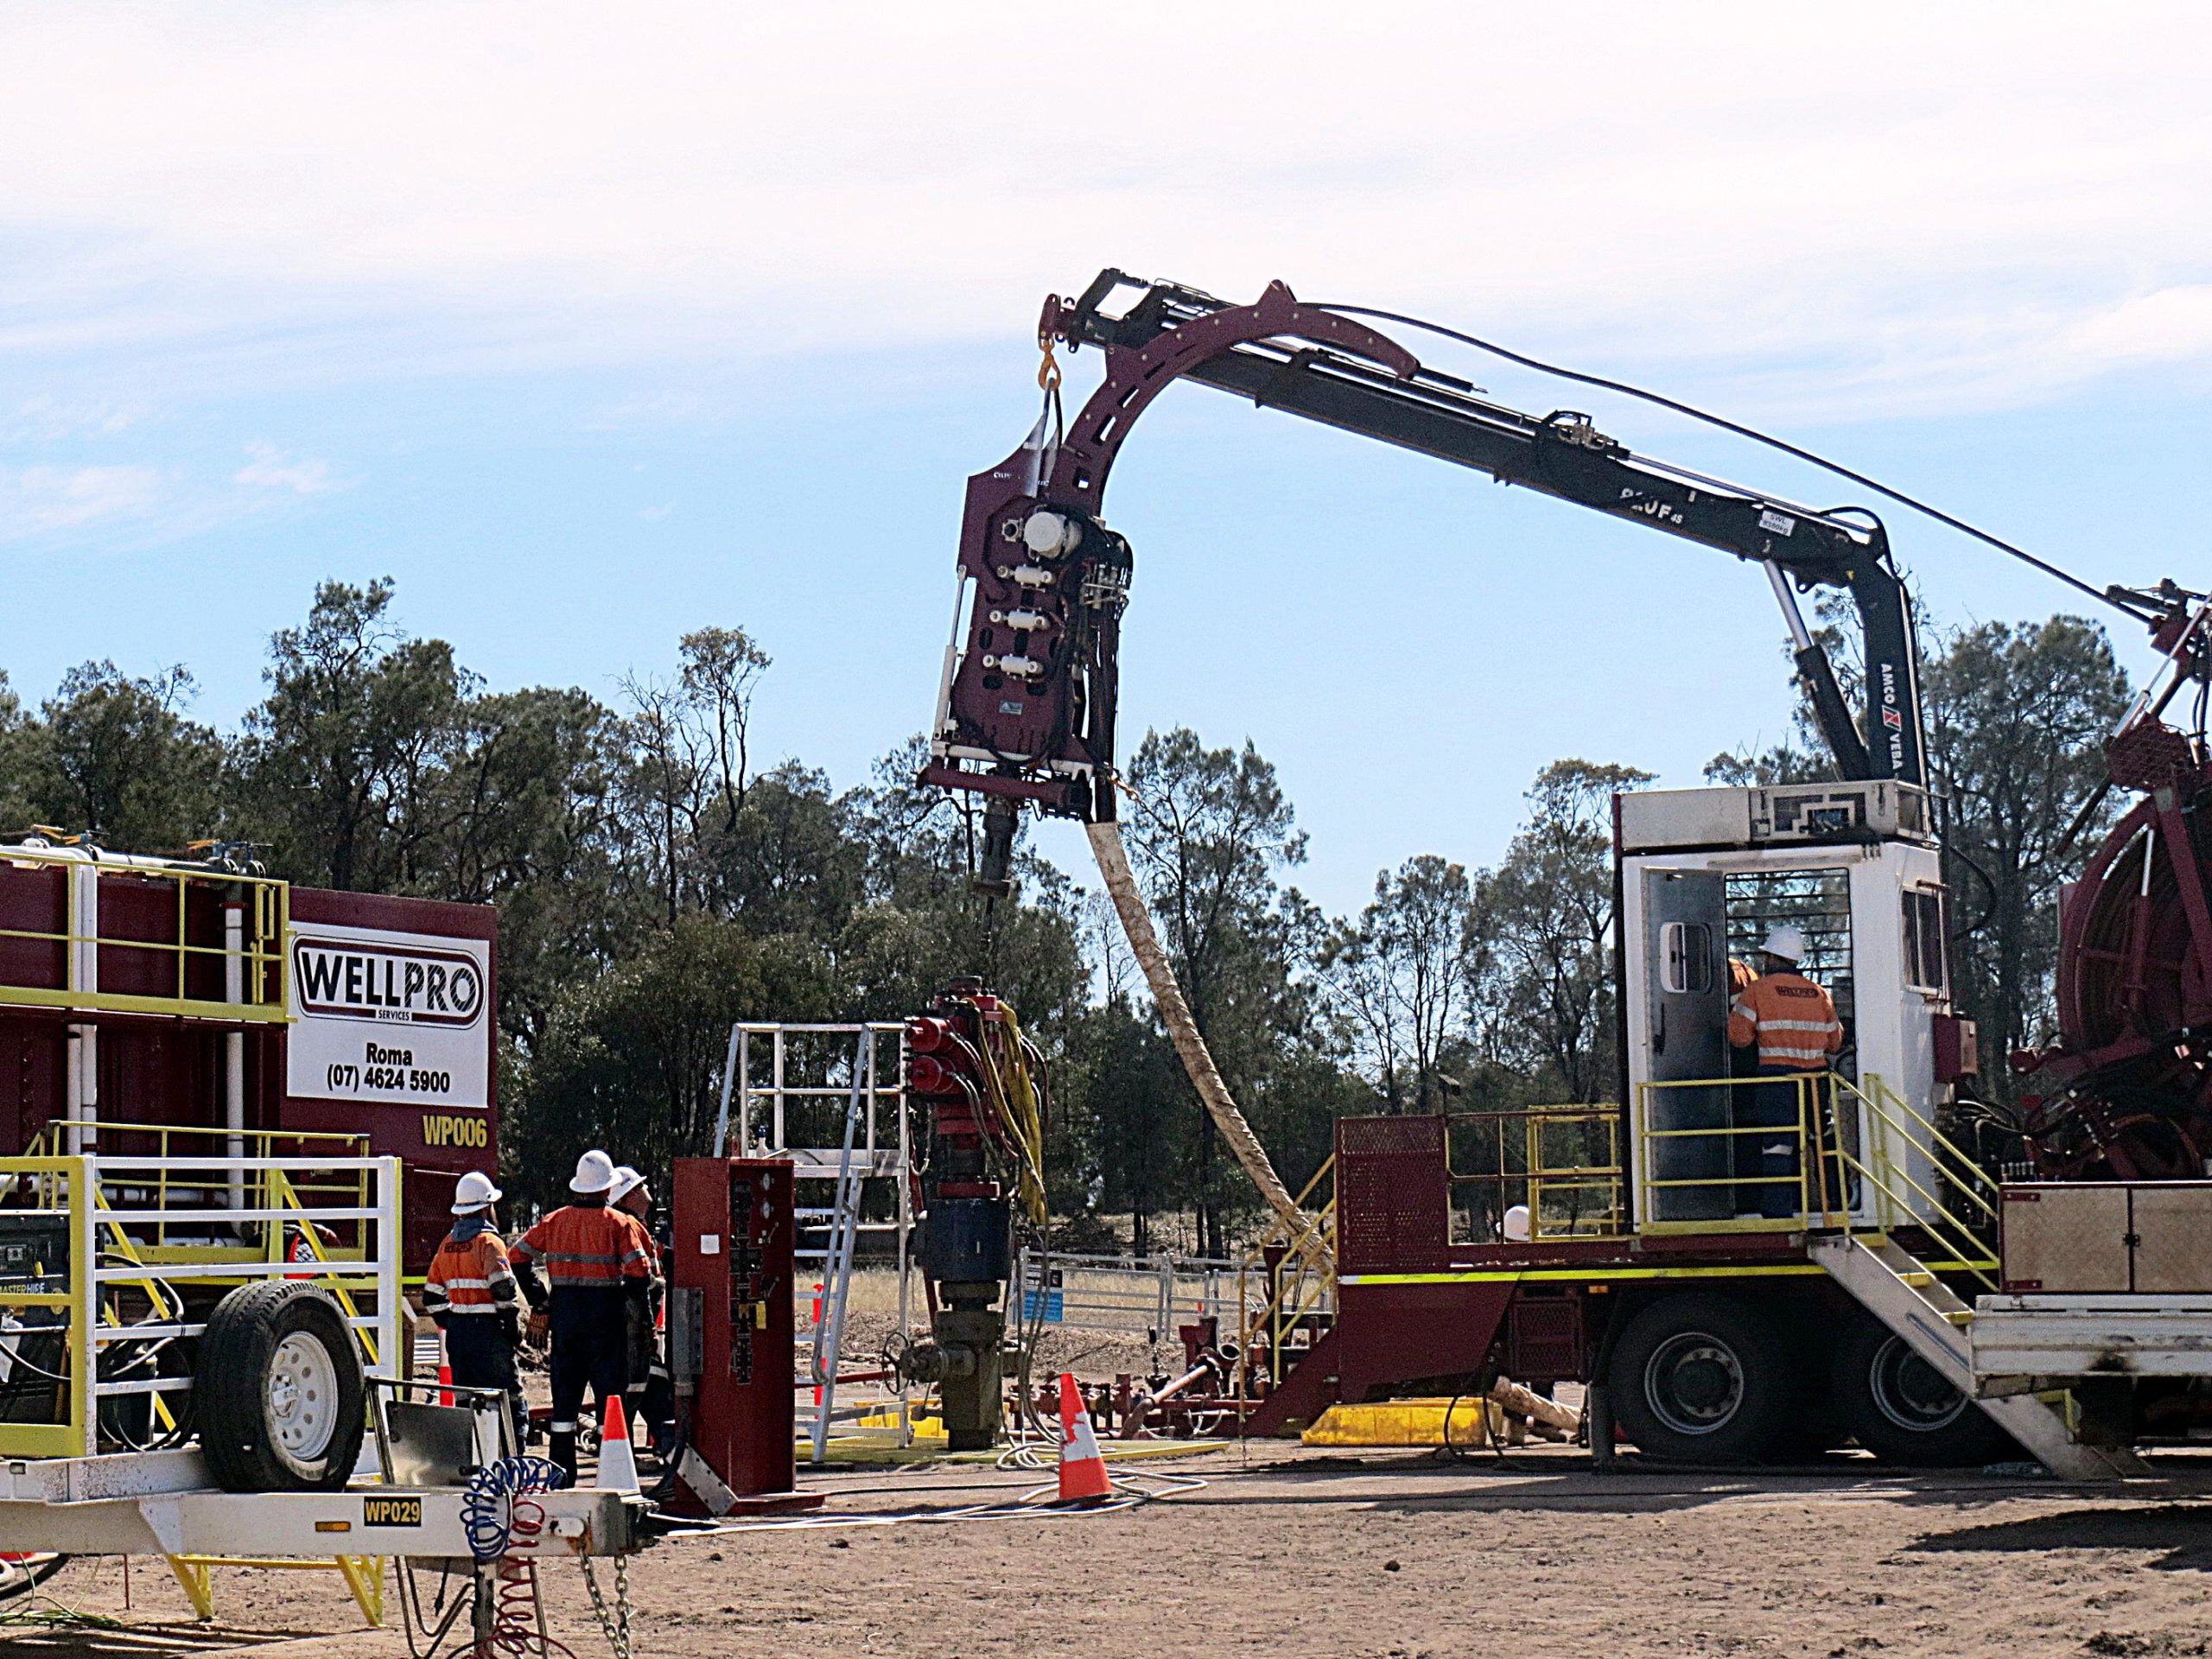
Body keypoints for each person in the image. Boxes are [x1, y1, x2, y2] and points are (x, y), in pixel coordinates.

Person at [512, 1150, 652, 1484]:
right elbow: (639, 1273)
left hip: (565, 1318)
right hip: (607, 1320)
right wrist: (634, 1309)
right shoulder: (620, 1224)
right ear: (607, 1190)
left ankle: (562, 1474)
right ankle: (612, 1473)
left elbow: (517, 1256)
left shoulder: (555, 1220)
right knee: (610, 1401)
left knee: (564, 1402)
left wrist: (540, 1302)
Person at [1727, 925, 1845, 1219]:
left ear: (1770, 958)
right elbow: (1835, 1043)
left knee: (1778, 1145)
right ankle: (1837, 1203)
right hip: (1816, 1079)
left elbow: (1738, 1038)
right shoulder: (1820, 994)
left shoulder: (1757, 991)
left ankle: (1779, 1212)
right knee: (1824, 1141)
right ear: (1796, 959)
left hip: (1777, 1080)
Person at [423, 1170, 528, 1446]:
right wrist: (510, 1325)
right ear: (487, 1207)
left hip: (459, 1334)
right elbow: (504, 1289)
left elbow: (431, 1298)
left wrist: (456, 1319)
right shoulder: (489, 1243)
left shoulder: (446, 1245)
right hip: (489, 1332)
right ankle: (512, 1463)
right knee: (507, 1399)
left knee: (467, 1401)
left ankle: (474, 1462)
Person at [607, 1165, 675, 1457]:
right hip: (634, 1324)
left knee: (653, 1383)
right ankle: (619, 1451)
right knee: (636, 1386)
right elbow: (640, 1279)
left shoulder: (635, 1227)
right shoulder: (629, 1226)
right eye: (641, 1187)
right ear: (627, 1196)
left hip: (636, 1322)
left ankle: (668, 1443)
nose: (648, 1193)